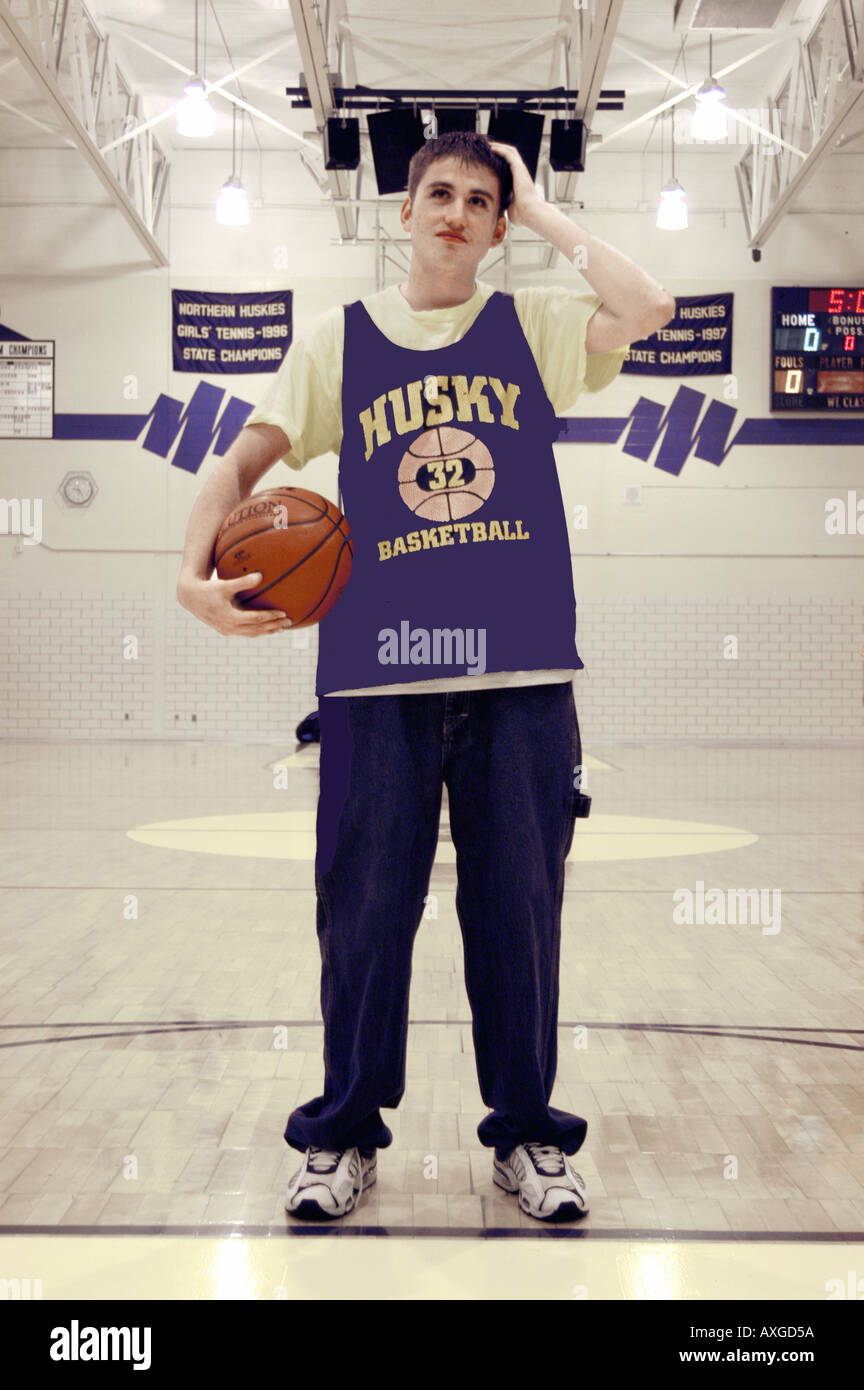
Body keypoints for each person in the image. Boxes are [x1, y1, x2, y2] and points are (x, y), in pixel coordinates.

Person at [177, 131, 675, 1223]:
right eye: (437, 193)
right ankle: (344, 1135)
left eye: (480, 200)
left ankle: (528, 1138)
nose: (455, 210)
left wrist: (548, 216)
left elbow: (649, 308)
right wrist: (187, 572)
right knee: (360, 918)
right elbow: (239, 463)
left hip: (522, 676)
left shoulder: (534, 326)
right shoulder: (335, 343)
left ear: (499, 228)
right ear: (404, 213)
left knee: (521, 916)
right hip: (373, 680)